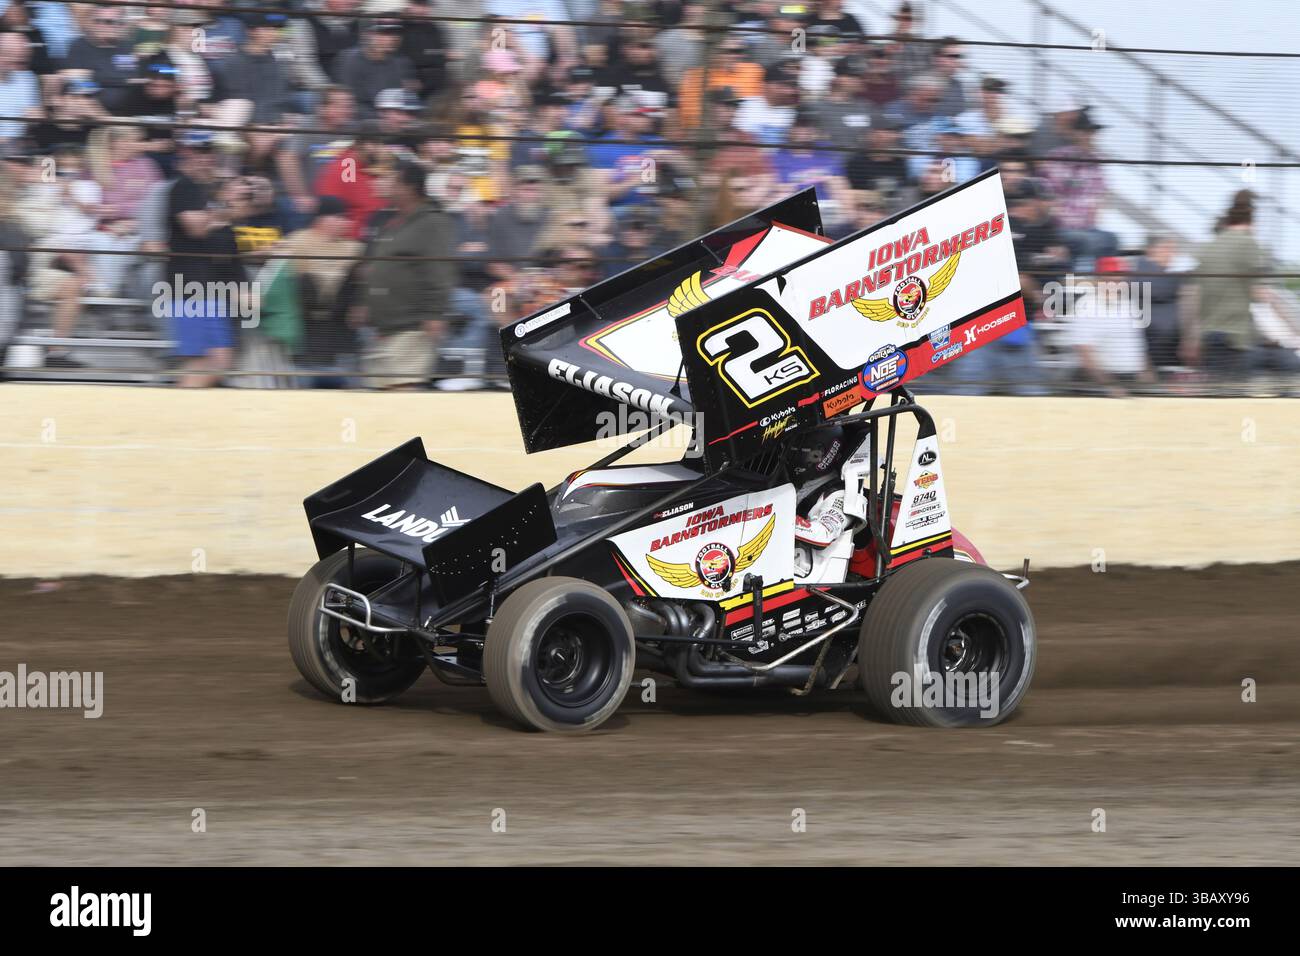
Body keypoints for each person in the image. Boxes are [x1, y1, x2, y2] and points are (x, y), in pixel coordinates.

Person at [1186, 189, 1300, 386]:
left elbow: (1195, 297)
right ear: (1251, 218)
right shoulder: (1248, 245)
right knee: (1237, 395)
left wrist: (1192, 338)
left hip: (1210, 337)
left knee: (1214, 395)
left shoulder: (1206, 248)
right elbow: (1260, 294)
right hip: (1236, 339)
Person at [356, 160, 454, 389]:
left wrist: (435, 313)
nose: (381, 183)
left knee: (403, 398)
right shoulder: (391, 223)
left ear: (408, 187)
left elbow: (440, 270)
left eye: (389, 179)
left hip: (411, 331)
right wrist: (363, 302)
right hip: (383, 331)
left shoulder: (432, 222)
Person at [165, 129, 245, 387]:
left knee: (221, 360)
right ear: (185, 153)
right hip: (188, 286)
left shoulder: (205, 190)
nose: (203, 158)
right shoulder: (183, 187)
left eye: (207, 151)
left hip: (207, 288)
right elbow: (195, 228)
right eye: (197, 151)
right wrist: (222, 211)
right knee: (199, 362)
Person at [785, 427, 858, 581]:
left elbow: (822, 535)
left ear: (822, 455)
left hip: (805, 577)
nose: (796, 457)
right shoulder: (794, 483)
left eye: (804, 453)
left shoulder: (839, 494)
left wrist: (781, 519)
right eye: (793, 451)